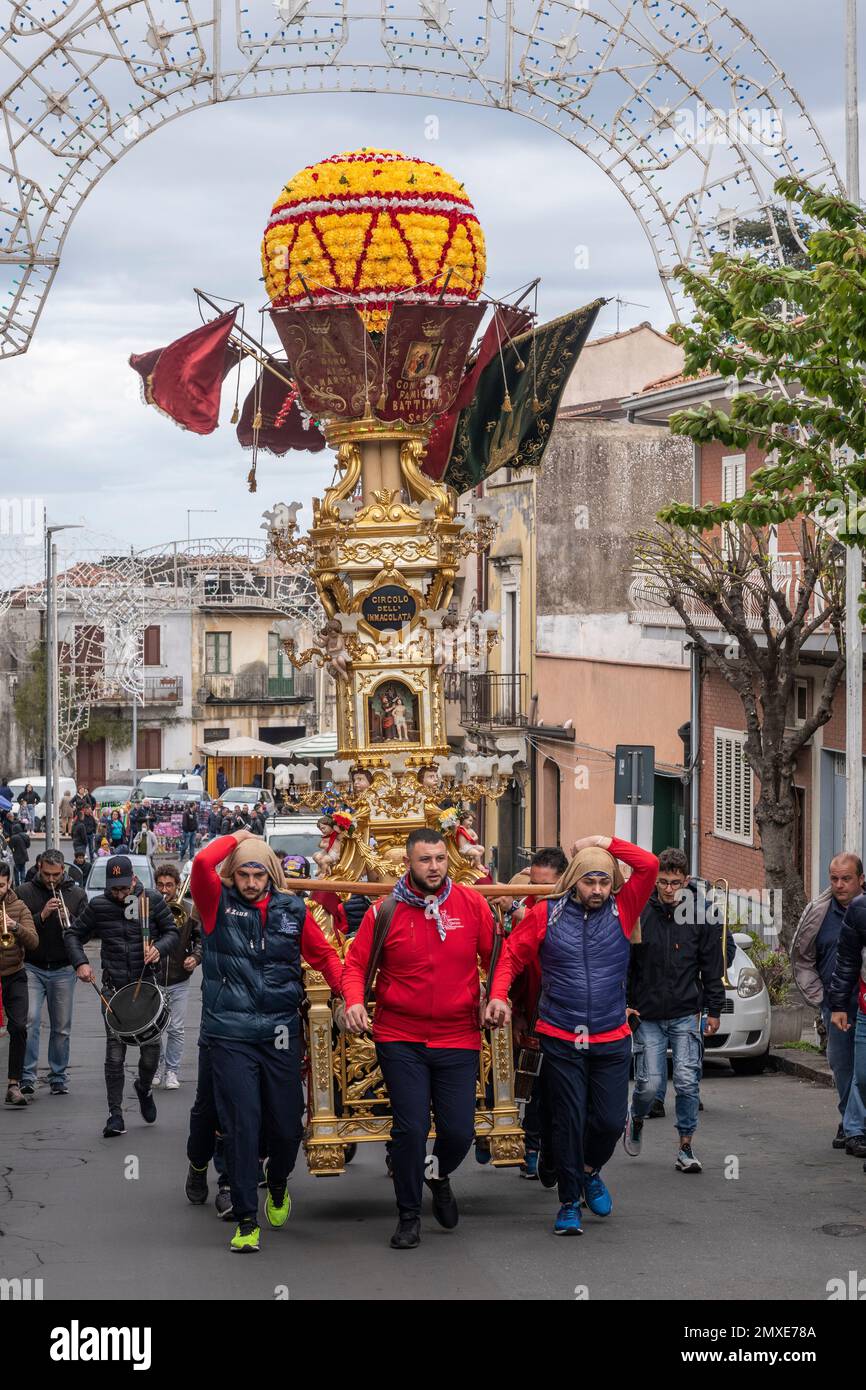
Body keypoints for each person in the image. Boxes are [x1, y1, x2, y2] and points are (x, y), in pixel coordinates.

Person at [486, 834, 658, 1237]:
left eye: (603, 882)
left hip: (610, 1036)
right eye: (589, 882)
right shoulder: (546, 913)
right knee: (567, 1121)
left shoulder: (624, 908)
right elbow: (512, 955)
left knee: (610, 1121)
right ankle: (568, 1204)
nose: (597, 890)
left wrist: (604, 841)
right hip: (561, 1035)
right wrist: (498, 996)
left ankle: (588, 1171)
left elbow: (648, 864)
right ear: (574, 881)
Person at [189, 829, 343, 1253]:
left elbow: (324, 955)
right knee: (242, 1125)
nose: (251, 882)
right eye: (243, 873)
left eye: (259, 874)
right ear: (232, 875)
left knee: (287, 1125)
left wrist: (344, 991)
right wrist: (235, 836)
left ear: (271, 874)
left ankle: (277, 1184)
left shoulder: (292, 909)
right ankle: (245, 1219)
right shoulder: (214, 903)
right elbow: (203, 863)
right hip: (230, 1034)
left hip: (278, 1031)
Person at [342, 828, 495, 1251]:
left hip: (458, 1036)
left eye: (440, 859)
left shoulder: (471, 904)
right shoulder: (384, 912)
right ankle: (408, 1214)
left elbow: (496, 958)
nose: (434, 867)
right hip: (400, 1037)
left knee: (459, 1131)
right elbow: (354, 966)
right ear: (409, 862)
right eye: (425, 860)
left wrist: (496, 996)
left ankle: (437, 1175)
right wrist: (355, 1001)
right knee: (409, 1130)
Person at [622, 848, 725, 1173]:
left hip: (685, 1010)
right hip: (646, 1012)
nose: (669, 889)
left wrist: (714, 1008)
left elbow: (711, 964)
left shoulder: (701, 914)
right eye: (663, 882)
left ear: (687, 880)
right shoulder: (638, 911)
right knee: (649, 1085)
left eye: (675, 883)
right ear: (655, 880)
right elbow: (624, 962)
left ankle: (685, 1147)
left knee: (686, 1080)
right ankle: (636, 1117)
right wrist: (622, 1003)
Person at [64, 854, 178, 1137]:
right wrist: (81, 962)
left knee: (151, 1054)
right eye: (114, 889)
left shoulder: (151, 900)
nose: (119, 894)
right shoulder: (99, 905)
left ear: (134, 881)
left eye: (124, 888)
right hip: (114, 990)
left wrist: (160, 948)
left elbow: (172, 932)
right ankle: (115, 1115)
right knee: (114, 1056)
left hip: (147, 986)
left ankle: (143, 1087)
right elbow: (72, 935)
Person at [792, 853, 866, 1153]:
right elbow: (802, 958)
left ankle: (853, 1128)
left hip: (861, 1001)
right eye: (834, 878)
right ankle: (852, 1124)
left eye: (846, 878)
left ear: (861, 879)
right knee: (843, 1066)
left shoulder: (862, 911)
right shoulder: (819, 913)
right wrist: (820, 998)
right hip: (834, 1004)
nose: (839, 885)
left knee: (862, 1070)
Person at [18, 849, 87, 1097]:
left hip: (63, 968)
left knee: (61, 1026)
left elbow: (86, 932)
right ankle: (27, 1076)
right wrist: (43, 915)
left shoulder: (76, 894)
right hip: (33, 966)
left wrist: (71, 918)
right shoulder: (25, 892)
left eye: (56, 875)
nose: (51, 880)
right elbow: (19, 929)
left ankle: (58, 1076)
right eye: (47, 874)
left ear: (63, 871)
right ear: (39, 868)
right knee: (30, 1020)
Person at [152, 863, 201, 1090]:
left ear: (177, 885)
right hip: (154, 976)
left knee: (176, 1028)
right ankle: (157, 1067)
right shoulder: (149, 908)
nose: (164, 890)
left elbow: (201, 940)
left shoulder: (189, 910)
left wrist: (196, 957)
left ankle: (172, 1071)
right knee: (155, 1028)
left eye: (169, 885)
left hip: (180, 977)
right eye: (160, 885)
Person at [0, 864, 39, 1106]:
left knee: (19, 1027)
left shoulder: (19, 906)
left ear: (9, 884)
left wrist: (14, 926)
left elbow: (34, 941)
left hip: (15, 974)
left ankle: (14, 1084)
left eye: (1, 885)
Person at [7, 819, 30, 886]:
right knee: (23, 870)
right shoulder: (25, 836)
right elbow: (28, 845)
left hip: (16, 857)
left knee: (16, 872)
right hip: (24, 855)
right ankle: (23, 883)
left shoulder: (13, 837)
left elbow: (10, 846)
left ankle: (17, 885)